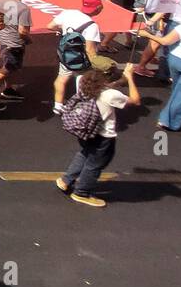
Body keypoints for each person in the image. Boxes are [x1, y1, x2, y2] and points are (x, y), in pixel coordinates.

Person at [57, 63, 141, 207]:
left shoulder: (85, 86)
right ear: (104, 79)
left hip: (86, 131)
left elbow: (109, 87)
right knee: (95, 164)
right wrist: (130, 78)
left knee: (85, 154)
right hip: (103, 136)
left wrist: (122, 79)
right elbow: (136, 100)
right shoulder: (110, 95)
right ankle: (81, 192)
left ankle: (66, 180)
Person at [136, 18, 181, 131]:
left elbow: (165, 41)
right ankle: (169, 122)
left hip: (175, 60)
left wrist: (147, 34)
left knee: (178, 88)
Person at [49, 0, 104, 112]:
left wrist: (63, 32)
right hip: (81, 57)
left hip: (66, 53)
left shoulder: (68, 13)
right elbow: (89, 49)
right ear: (98, 8)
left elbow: (50, 26)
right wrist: (96, 64)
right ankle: (83, 105)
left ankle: (58, 106)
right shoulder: (92, 26)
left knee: (62, 78)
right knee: (83, 79)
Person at [0, 0, 32, 101]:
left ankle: (8, 89)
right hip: (14, 43)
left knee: (5, 65)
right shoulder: (24, 8)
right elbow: (23, 31)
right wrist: (27, 39)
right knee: (8, 67)